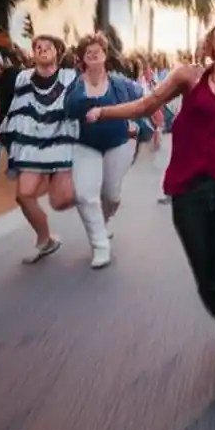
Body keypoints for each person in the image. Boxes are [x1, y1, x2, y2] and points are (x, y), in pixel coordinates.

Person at [85, 20, 215, 400]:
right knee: (210, 286)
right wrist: (102, 113)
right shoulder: (189, 78)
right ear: (210, 49)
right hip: (191, 193)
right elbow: (146, 104)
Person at [64, 33, 143, 269]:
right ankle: (100, 246)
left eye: (98, 51)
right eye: (89, 53)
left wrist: (148, 122)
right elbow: (68, 110)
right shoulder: (75, 84)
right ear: (83, 59)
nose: (94, 55)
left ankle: (105, 218)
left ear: (105, 55)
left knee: (111, 195)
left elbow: (143, 100)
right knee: (85, 195)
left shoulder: (120, 83)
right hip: (85, 145)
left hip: (118, 143)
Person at [0, 35, 79, 264]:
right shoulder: (23, 78)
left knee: (62, 200)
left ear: (58, 52)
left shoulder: (70, 77)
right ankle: (45, 241)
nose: (42, 50)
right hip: (33, 143)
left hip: (63, 143)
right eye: (37, 47)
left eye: (47, 47)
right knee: (23, 195)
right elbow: (14, 108)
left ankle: (95, 212)